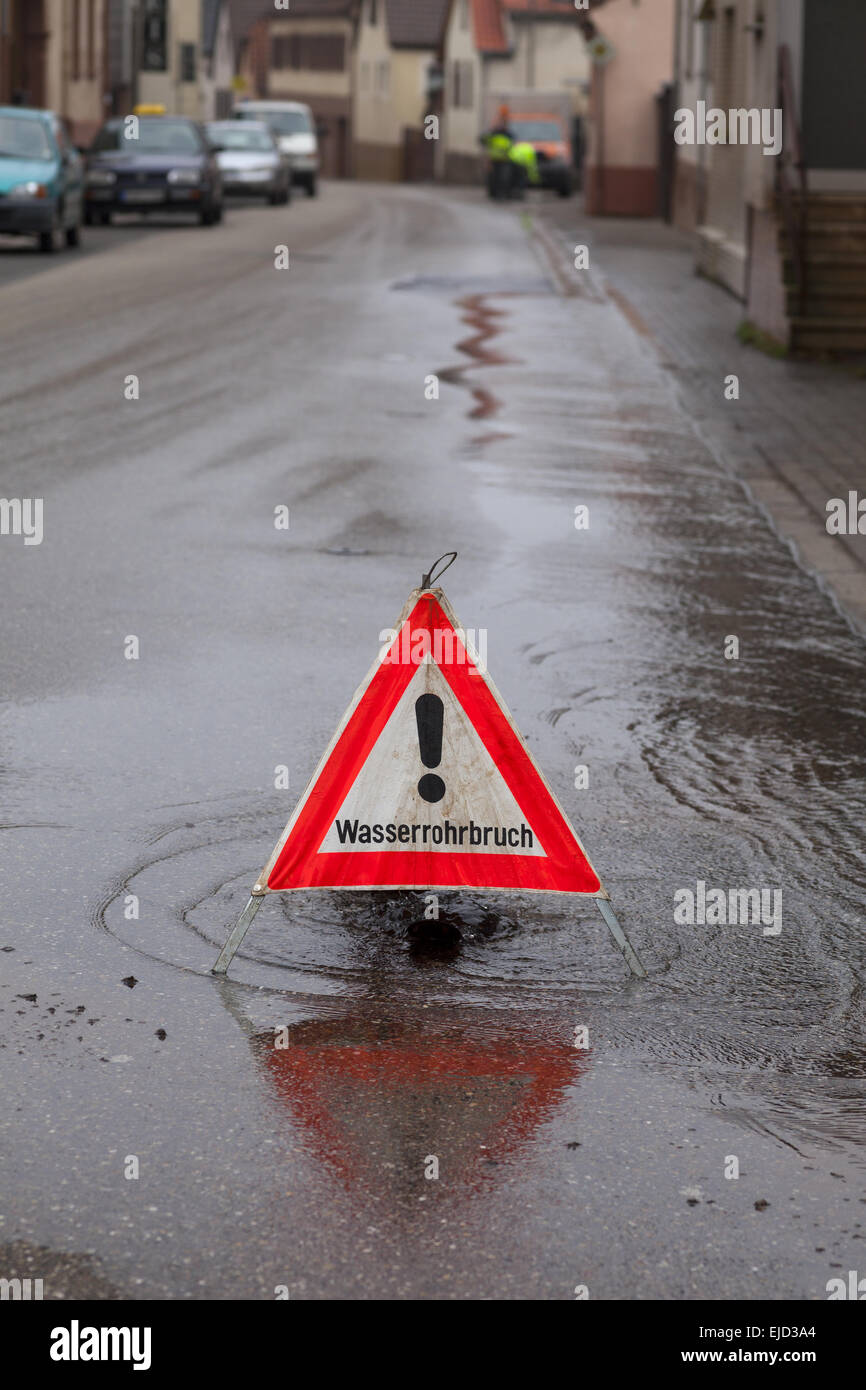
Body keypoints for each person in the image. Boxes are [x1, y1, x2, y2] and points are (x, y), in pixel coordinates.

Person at [480, 105, 516, 201]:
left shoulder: (508, 134)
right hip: (494, 160)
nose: (502, 124)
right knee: (494, 178)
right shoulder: (493, 133)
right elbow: (484, 141)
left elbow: (513, 145)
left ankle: (503, 194)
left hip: (505, 160)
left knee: (504, 179)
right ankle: (495, 194)